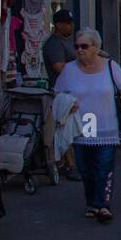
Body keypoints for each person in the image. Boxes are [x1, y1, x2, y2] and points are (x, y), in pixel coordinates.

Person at [54, 27, 121, 224]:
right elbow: (57, 93)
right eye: (77, 46)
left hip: (106, 125)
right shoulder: (70, 70)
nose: (79, 50)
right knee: (85, 169)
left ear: (96, 47)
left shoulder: (110, 66)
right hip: (82, 128)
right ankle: (92, 202)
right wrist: (67, 104)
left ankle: (103, 205)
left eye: (84, 46)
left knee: (104, 168)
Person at [42, 10, 81, 180]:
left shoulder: (67, 42)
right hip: (62, 92)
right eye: (68, 23)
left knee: (76, 128)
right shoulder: (53, 44)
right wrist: (82, 64)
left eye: (71, 23)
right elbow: (59, 67)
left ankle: (73, 163)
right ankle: (69, 165)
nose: (71, 26)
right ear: (58, 25)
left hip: (74, 90)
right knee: (66, 128)